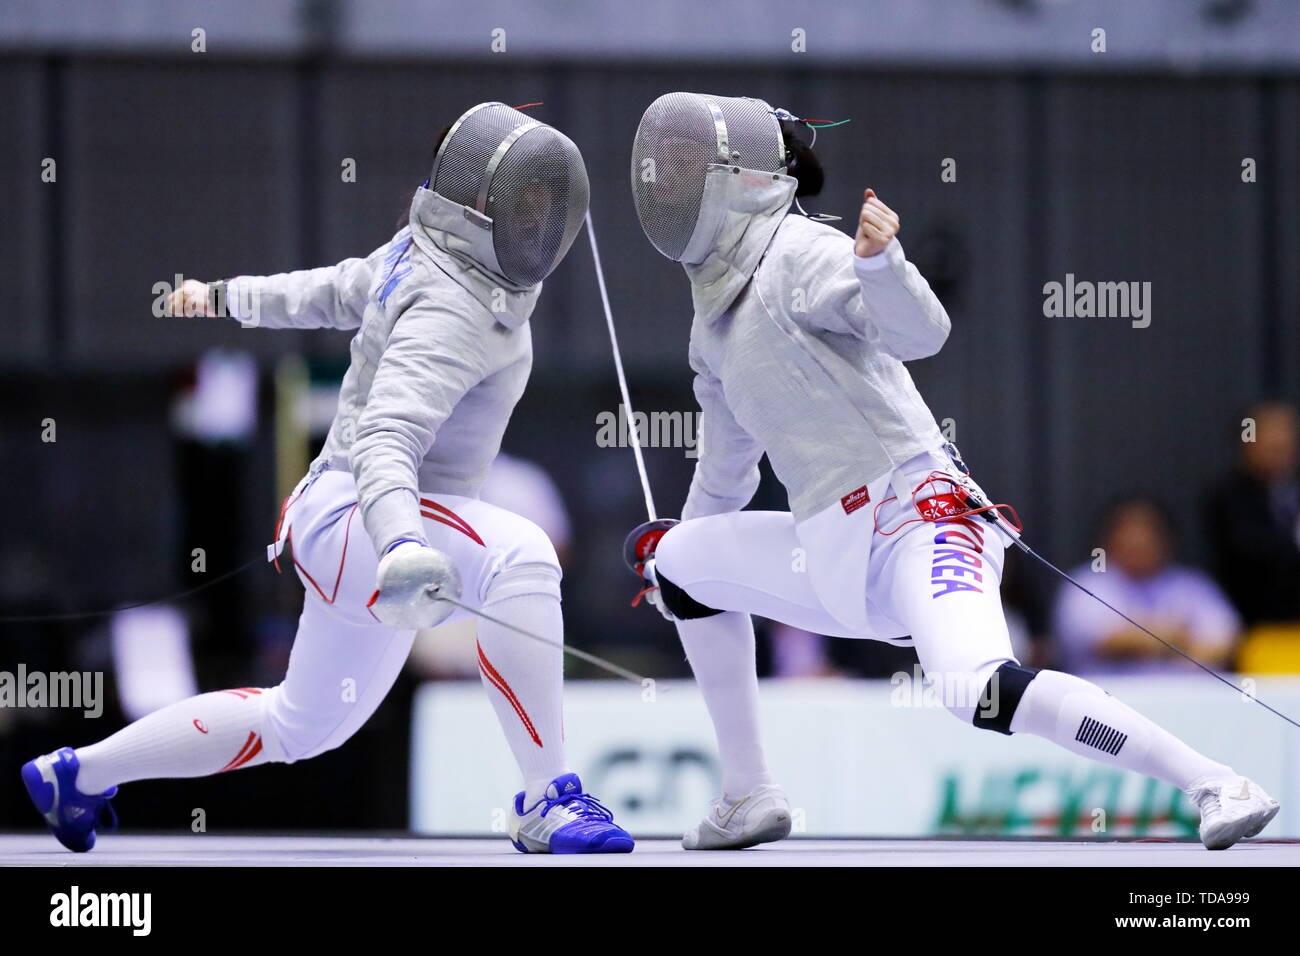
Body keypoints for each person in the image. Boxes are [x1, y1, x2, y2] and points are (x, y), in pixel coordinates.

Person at [623, 91, 1277, 852]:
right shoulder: (714, 325)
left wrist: (880, 265)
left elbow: (920, 332)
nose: (665, 185)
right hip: (829, 549)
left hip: (920, 523)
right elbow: (727, 469)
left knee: (975, 688)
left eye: (685, 168)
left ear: (739, 175)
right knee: (672, 557)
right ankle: (748, 793)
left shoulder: (802, 252)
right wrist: (682, 580)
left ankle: (1216, 782)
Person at [23, 102, 633, 856]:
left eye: (549, 199)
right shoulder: (455, 303)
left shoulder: (424, 254)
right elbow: (386, 435)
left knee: (300, 724)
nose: (544, 216)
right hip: (362, 518)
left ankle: (78, 775)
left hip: (342, 523)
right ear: (482, 204)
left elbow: (331, 288)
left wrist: (224, 296)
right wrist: (402, 541)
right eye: (528, 198)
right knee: (524, 555)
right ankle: (548, 801)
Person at [1053, 497, 1239, 675]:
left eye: (1149, 532)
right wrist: (1176, 637)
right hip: (1105, 699)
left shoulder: (1192, 585)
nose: (1139, 540)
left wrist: (1146, 638)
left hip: (1186, 697)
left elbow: (1222, 643)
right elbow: (1103, 641)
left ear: (1167, 540)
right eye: (1129, 532)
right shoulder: (1087, 582)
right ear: (1109, 539)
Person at [1205, 401, 1300, 626]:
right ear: (1246, 441)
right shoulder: (1228, 497)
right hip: (1257, 625)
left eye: (1286, 433)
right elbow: (1253, 557)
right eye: (1269, 433)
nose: (1279, 442)